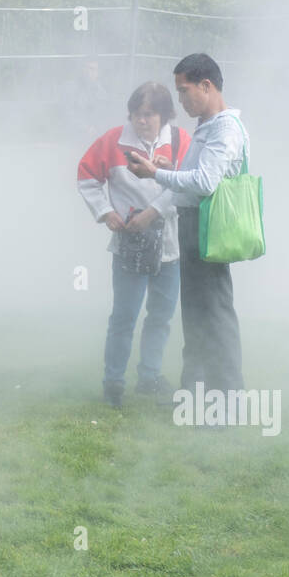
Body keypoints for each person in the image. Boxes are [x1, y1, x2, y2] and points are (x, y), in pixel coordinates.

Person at [125, 53, 247, 422]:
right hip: (194, 229)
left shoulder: (224, 129)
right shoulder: (208, 125)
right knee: (195, 317)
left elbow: (205, 183)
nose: (180, 101)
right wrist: (170, 169)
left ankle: (227, 406)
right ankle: (194, 397)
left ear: (206, 86)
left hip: (209, 231)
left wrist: (155, 175)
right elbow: (194, 177)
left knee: (215, 318)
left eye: (184, 91)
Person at [77, 81, 191, 408]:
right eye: (136, 114)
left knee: (160, 316)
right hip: (129, 241)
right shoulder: (113, 141)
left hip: (170, 244)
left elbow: (185, 183)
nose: (140, 121)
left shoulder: (182, 141)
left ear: (165, 115)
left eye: (148, 115)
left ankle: (150, 377)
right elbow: (86, 177)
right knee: (124, 316)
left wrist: (154, 213)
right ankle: (113, 382)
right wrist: (106, 212)